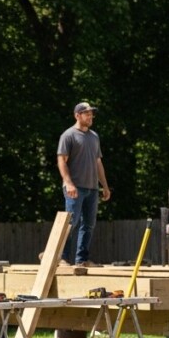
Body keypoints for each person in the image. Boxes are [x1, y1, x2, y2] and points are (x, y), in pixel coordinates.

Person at [57, 102, 111, 266]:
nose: (90, 116)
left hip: (92, 188)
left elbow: (98, 162)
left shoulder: (94, 136)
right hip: (75, 187)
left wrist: (104, 186)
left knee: (89, 225)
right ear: (77, 115)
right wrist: (68, 183)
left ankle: (82, 260)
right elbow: (61, 160)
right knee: (71, 223)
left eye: (91, 114)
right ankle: (61, 258)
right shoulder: (69, 135)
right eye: (87, 113)